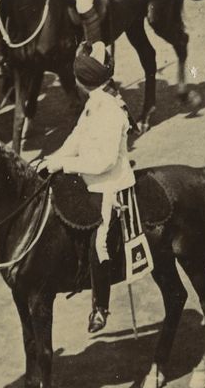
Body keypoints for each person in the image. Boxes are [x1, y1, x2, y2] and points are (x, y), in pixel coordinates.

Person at [39, 41, 135, 333]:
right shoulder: (94, 104)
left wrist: (64, 165)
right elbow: (76, 139)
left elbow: (103, 162)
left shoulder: (113, 110)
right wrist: (51, 159)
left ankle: (100, 306)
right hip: (87, 180)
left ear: (82, 81)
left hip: (110, 184)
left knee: (100, 241)